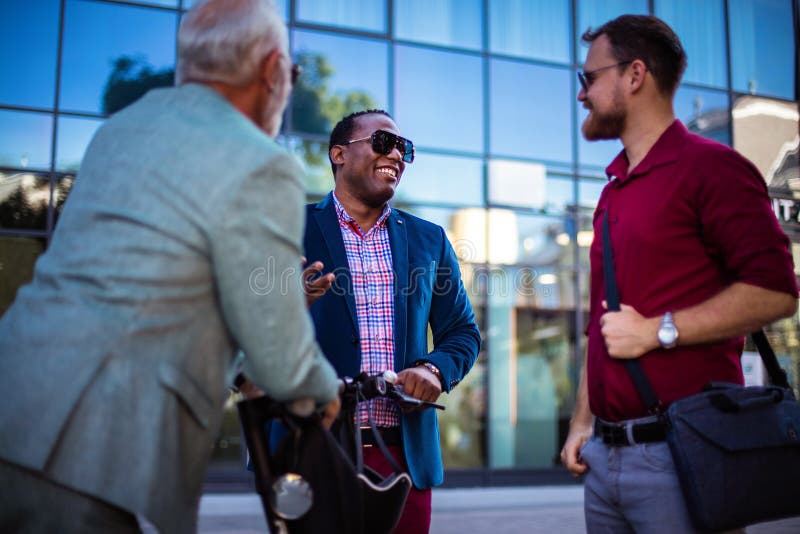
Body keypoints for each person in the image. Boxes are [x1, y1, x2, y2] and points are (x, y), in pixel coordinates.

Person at [0, 0, 340, 532]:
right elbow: (285, 361)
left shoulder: (121, 131)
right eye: (292, 73)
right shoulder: (261, 161)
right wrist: (322, 388)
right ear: (273, 70)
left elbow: (143, 289)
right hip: (86, 445)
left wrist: (243, 367)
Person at [559, 14, 798, 533]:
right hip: (604, 460)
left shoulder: (713, 168)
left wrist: (657, 330)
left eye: (589, 78)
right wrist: (581, 423)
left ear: (635, 75)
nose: (581, 95)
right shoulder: (611, 192)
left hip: (683, 456)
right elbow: (602, 326)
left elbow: (777, 291)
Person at [304, 109, 481, 533]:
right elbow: (244, 327)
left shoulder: (429, 239)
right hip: (312, 450)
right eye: (385, 142)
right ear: (339, 154)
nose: (397, 155)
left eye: (405, 148)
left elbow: (462, 332)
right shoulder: (286, 228)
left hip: (404, 456)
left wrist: (434, 368)